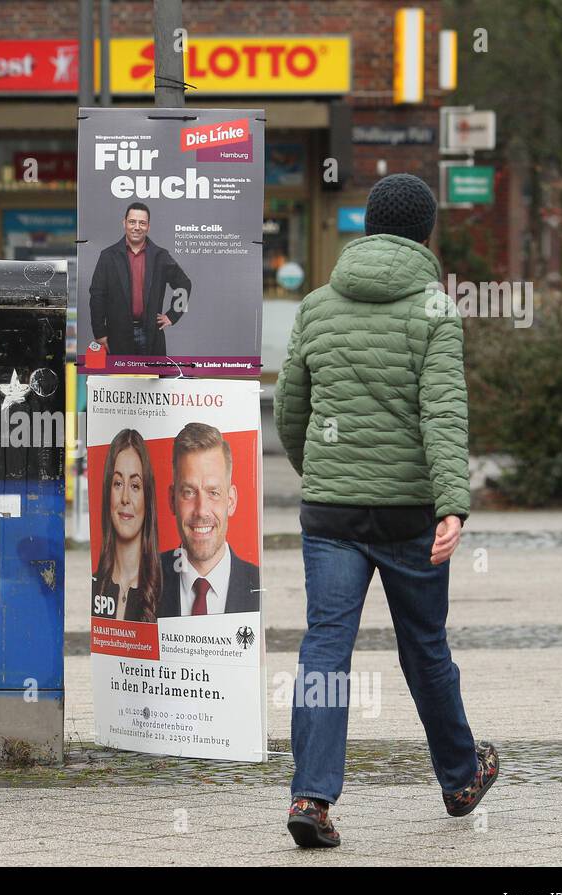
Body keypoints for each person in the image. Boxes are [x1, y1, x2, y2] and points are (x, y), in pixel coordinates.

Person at [274, 172, 498, 849]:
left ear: (366, 227)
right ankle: (461, 778)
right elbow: (441, 412)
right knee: (424, 648)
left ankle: (312, 797)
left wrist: (320, 474)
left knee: (324, 650)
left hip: (331, 517)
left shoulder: (315, 305)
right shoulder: (434, 309)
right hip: (409, 516)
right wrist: (452, 503)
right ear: (425, 233)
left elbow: (291, 410)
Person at [158, 422, 259, 617]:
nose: (201, 510)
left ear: (230, 501)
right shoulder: (142, 582)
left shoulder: (259, 585)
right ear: (172, 500)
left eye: (213, 493)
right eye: (188, 492)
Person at [88, 202, 193, 356]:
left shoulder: (160, 256)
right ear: (124, 223)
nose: (137, 227)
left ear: (148, 227)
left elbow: (184, 284)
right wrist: (99, 333)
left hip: (151, 334)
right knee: (120, 380)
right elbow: (97, 296)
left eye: (142, 223)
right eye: (132, 222)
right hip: (116, 335)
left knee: (152, 380)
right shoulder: (108, 256)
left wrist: (173, 315)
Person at [92, 428, 162, 623]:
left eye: (135, 486)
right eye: (117, 483)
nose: (125, 498)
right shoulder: (95, 585)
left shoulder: (167, 592)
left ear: (147, 497)